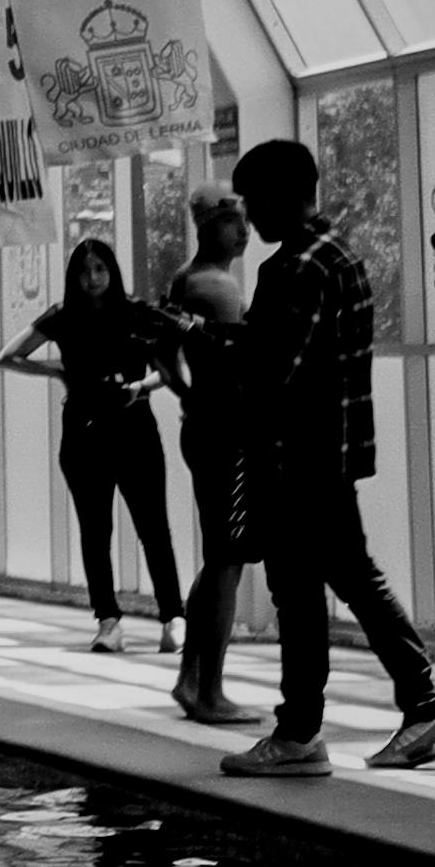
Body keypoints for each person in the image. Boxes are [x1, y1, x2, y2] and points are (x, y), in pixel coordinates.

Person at [223, 141, 435, 776]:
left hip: (293, 457)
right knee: (340, 582)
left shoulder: (296, 268)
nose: (248, 215)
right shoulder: (341, 255)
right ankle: (318, 727)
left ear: (283, 195)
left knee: (310, 593)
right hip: (329, 453)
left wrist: (206, 342)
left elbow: (275, 370)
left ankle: (345, 724)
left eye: (253, 200)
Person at [0, 236, 182, 655]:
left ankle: (173, 618)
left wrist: (140, 386)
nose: (93, 278)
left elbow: (170, 369)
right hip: (84, 430)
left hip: (134, 427)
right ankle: (108, 621)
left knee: (153, 527)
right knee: (95, 530)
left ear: (112, 271)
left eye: (100, 269)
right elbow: (8, 355)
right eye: (84, 271)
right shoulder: (63, 316)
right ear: (73, 277)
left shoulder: (136, 313)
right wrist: (57, 371)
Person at [161, 190, 254, 728]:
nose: (242, 231)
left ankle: (191, 680)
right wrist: (197, 395)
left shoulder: (185, 279)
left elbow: (162, 350)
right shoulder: (217, 286)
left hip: (205, 426)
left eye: (244, 221)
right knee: (227, 560)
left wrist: (186, 394)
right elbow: (243, 357)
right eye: (230, 222)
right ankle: (210, 691)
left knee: (219, 556)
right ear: (205, 227)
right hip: (228, 433)